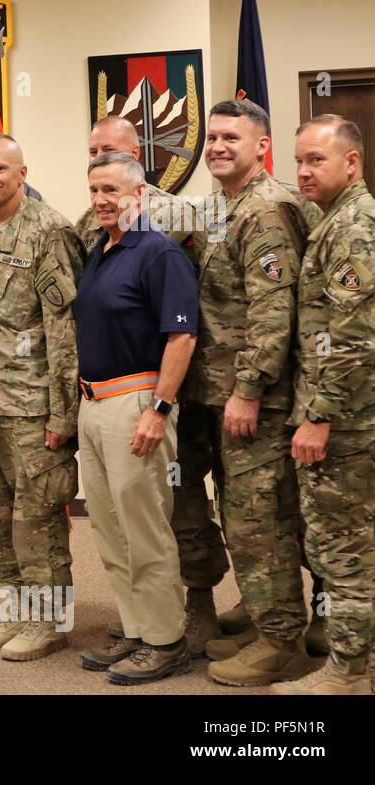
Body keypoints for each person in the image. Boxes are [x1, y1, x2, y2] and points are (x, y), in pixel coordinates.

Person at [74, 116, 229, 652]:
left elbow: (181, 338)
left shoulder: (159, 251)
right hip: (93, 407)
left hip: (137, 403)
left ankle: (165, 642)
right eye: (94, 190)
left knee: (146, 532)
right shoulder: (101, 250)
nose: (101, 199)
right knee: (111, 532)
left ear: (139, 192)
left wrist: (159, 408)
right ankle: (136, 629)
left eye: (111, 190)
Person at [183, 100, 313, 687]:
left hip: (254, 398)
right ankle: (267, 614)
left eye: (231, 137)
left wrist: (250, 388)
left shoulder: (264, 210)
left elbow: (272, 310)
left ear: (263, 145)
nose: (216, 146)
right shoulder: (223, 207)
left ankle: (281, 640)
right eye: (211, 137)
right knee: (241, 512)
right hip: (217, 390)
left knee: (261, 517)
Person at [0, 133, 82, 661]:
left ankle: (49, 619)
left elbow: (64, 329)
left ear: (22, 173)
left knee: (37, 518)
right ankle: (14, 607)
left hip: (32, 408)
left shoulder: (49, 230)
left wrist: (63, 413)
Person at [273, 115, 375, 695]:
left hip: (346, 423)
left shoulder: (354, 228)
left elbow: (354, 337)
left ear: (351, 163)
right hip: (345, 416)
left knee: (343, 549)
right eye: (299, 162)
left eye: (316, 160)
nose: (303, 172)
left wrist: (319, 417)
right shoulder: (333, 220)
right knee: (350, 540)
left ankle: (348, 672)